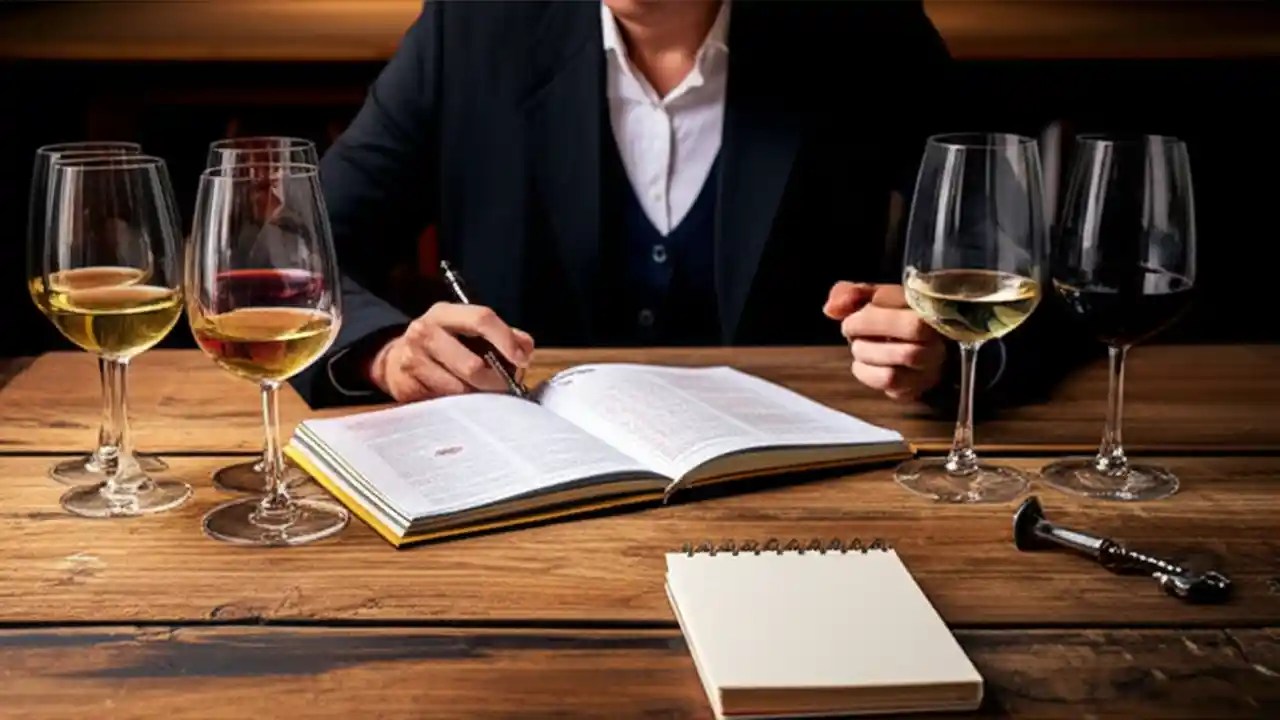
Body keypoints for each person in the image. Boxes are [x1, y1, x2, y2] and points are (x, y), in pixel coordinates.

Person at [293, 0, 1052, 409]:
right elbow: (301, 249)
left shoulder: (864, 27)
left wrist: (946, 356)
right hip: (524, 489)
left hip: (812, 489)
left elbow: (1016, 265)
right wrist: (384, 353)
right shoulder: (473, 27)